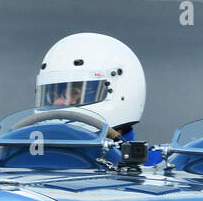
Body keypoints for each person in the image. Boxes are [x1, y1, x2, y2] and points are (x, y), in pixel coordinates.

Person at [36, 32, 162, 164]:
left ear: (121, 93)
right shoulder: (27, 157)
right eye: (52, 95)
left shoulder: (159, 166)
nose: (58, 102)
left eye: (74, 93)